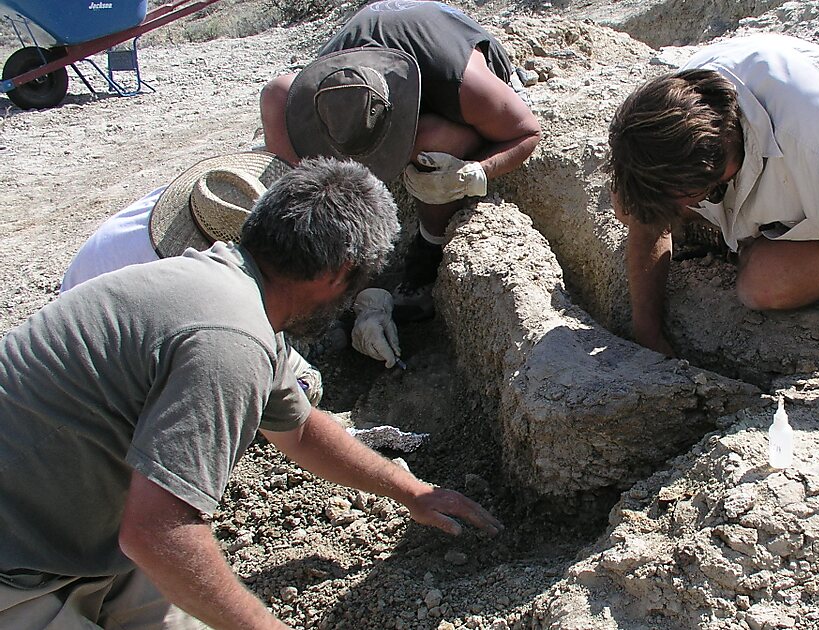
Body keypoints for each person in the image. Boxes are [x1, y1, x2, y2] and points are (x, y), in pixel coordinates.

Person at [0, 157, 502, 629]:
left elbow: (300, 428)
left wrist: (408, 491)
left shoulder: (235, 291)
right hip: (17, 567)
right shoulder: (229, 341)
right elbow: (157, 533)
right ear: (337, 273)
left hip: (82, 541)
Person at [607, 34, 819, 455]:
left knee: (763, 283)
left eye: (699, 193)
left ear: (721, 164)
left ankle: (815, 254)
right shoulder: (671, 117)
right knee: (632, 203)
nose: (688, 205)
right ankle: (745, 233)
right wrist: (648, 335)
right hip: (755, 174)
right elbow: (646, 220)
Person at [259, 0, 542, 318]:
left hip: (456, 77)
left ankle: (428, 249)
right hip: (402, 55)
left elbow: (527, 132)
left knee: (432, 145)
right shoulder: (330, 82)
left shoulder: (461, 82)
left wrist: (476, 170)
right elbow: (279, 93)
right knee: (277, 96)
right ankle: (303, 247)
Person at [61, 151, 407, 378]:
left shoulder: (212, 199)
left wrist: (368, 303)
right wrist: (293, 374)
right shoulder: (177, 288)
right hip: (102, 366)